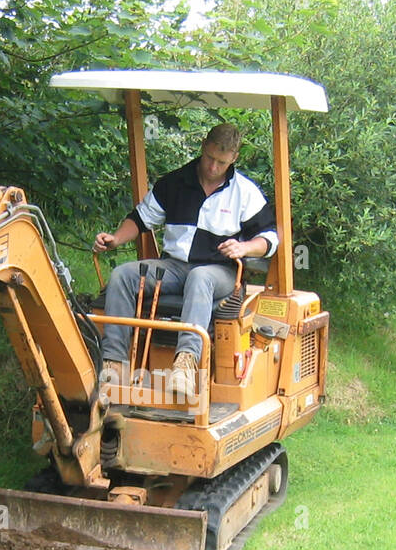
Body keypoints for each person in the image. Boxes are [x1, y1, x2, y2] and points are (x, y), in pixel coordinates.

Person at [94, 123, 277, 398]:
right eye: (210, 158)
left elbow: (269, 238)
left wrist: (244, 247)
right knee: (123, 274)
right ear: (203, 147)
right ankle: (115, 365)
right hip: (174, 266)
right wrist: (116, 239)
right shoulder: (174, 182)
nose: (214, 167)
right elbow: (141, 219)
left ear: (234, 159)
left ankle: (185, 364)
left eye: (222, 162)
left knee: (200, 277)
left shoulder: (245, 192)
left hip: (220, 272)